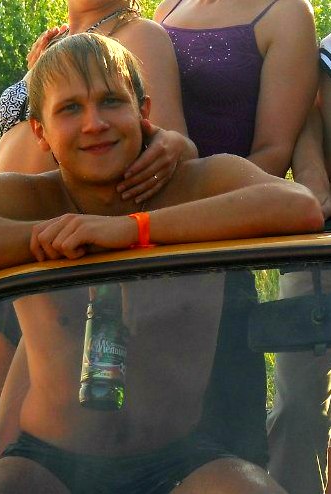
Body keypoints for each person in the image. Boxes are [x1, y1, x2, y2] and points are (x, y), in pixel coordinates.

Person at [0, 33, 323, 493]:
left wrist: (133, 229)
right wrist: (54, 234)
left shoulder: (197, 183)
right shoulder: (29, 199)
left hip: (182, 457)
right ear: (40, 132)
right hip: (47, 461)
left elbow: (299, 207)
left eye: (111, 102)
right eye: (70, 109)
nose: (94, 123)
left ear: (143, 112)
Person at [0, 0, 198, 415]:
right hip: (10, 251)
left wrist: (125, 225)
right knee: (2, 429)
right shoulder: (57, 41)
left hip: (64, 262)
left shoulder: (139, 35)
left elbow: (167, 147)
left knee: (60, 417)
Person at [153, 0, 318, 468]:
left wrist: (191, 218)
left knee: (222, 438)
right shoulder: (167, 8)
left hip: (216, 258)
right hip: (144, 251)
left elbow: (272, 153)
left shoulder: (287, 13)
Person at [266, 33, 331, 494]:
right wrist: (313, 178)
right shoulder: (323, 51)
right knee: (298, 409)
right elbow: (305, 107)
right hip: (322, 244)